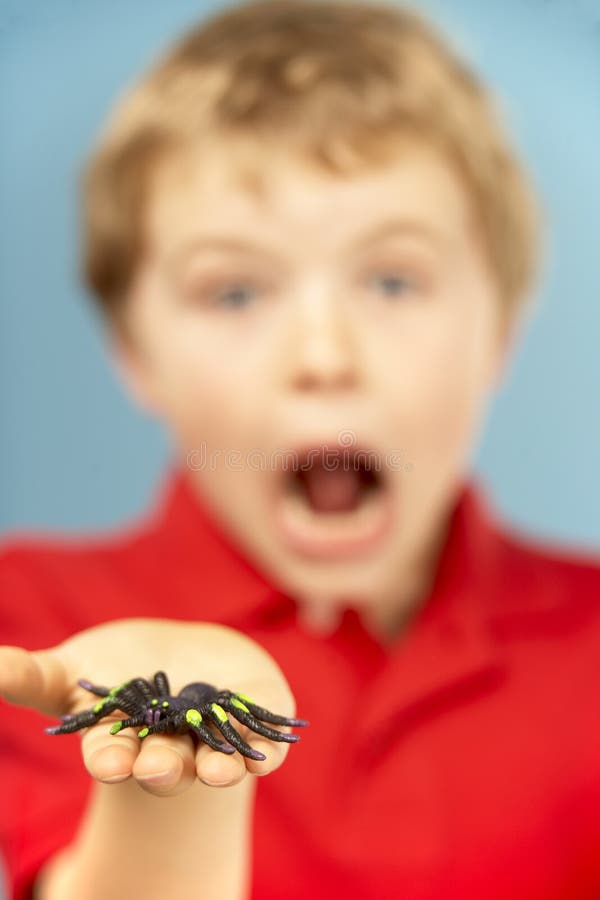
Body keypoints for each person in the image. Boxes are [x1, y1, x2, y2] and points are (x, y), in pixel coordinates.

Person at [1, 1, 599, 898]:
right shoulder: (38, 619)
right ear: (135, 353)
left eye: (393, 279)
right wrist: (179, 787)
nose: (324, 357)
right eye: (236, 293)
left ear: (503, 331)